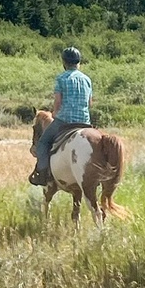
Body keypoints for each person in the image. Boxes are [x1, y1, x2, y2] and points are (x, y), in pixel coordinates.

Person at [30, 47, 92, 186]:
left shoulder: (61, 78)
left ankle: (43, 175)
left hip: (64, 122)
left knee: (43, 143)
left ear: (64, 62)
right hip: (85, 122)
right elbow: (89, 103)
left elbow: (58, 102)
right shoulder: (87, 79)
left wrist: (54, 114)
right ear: (78, 63)